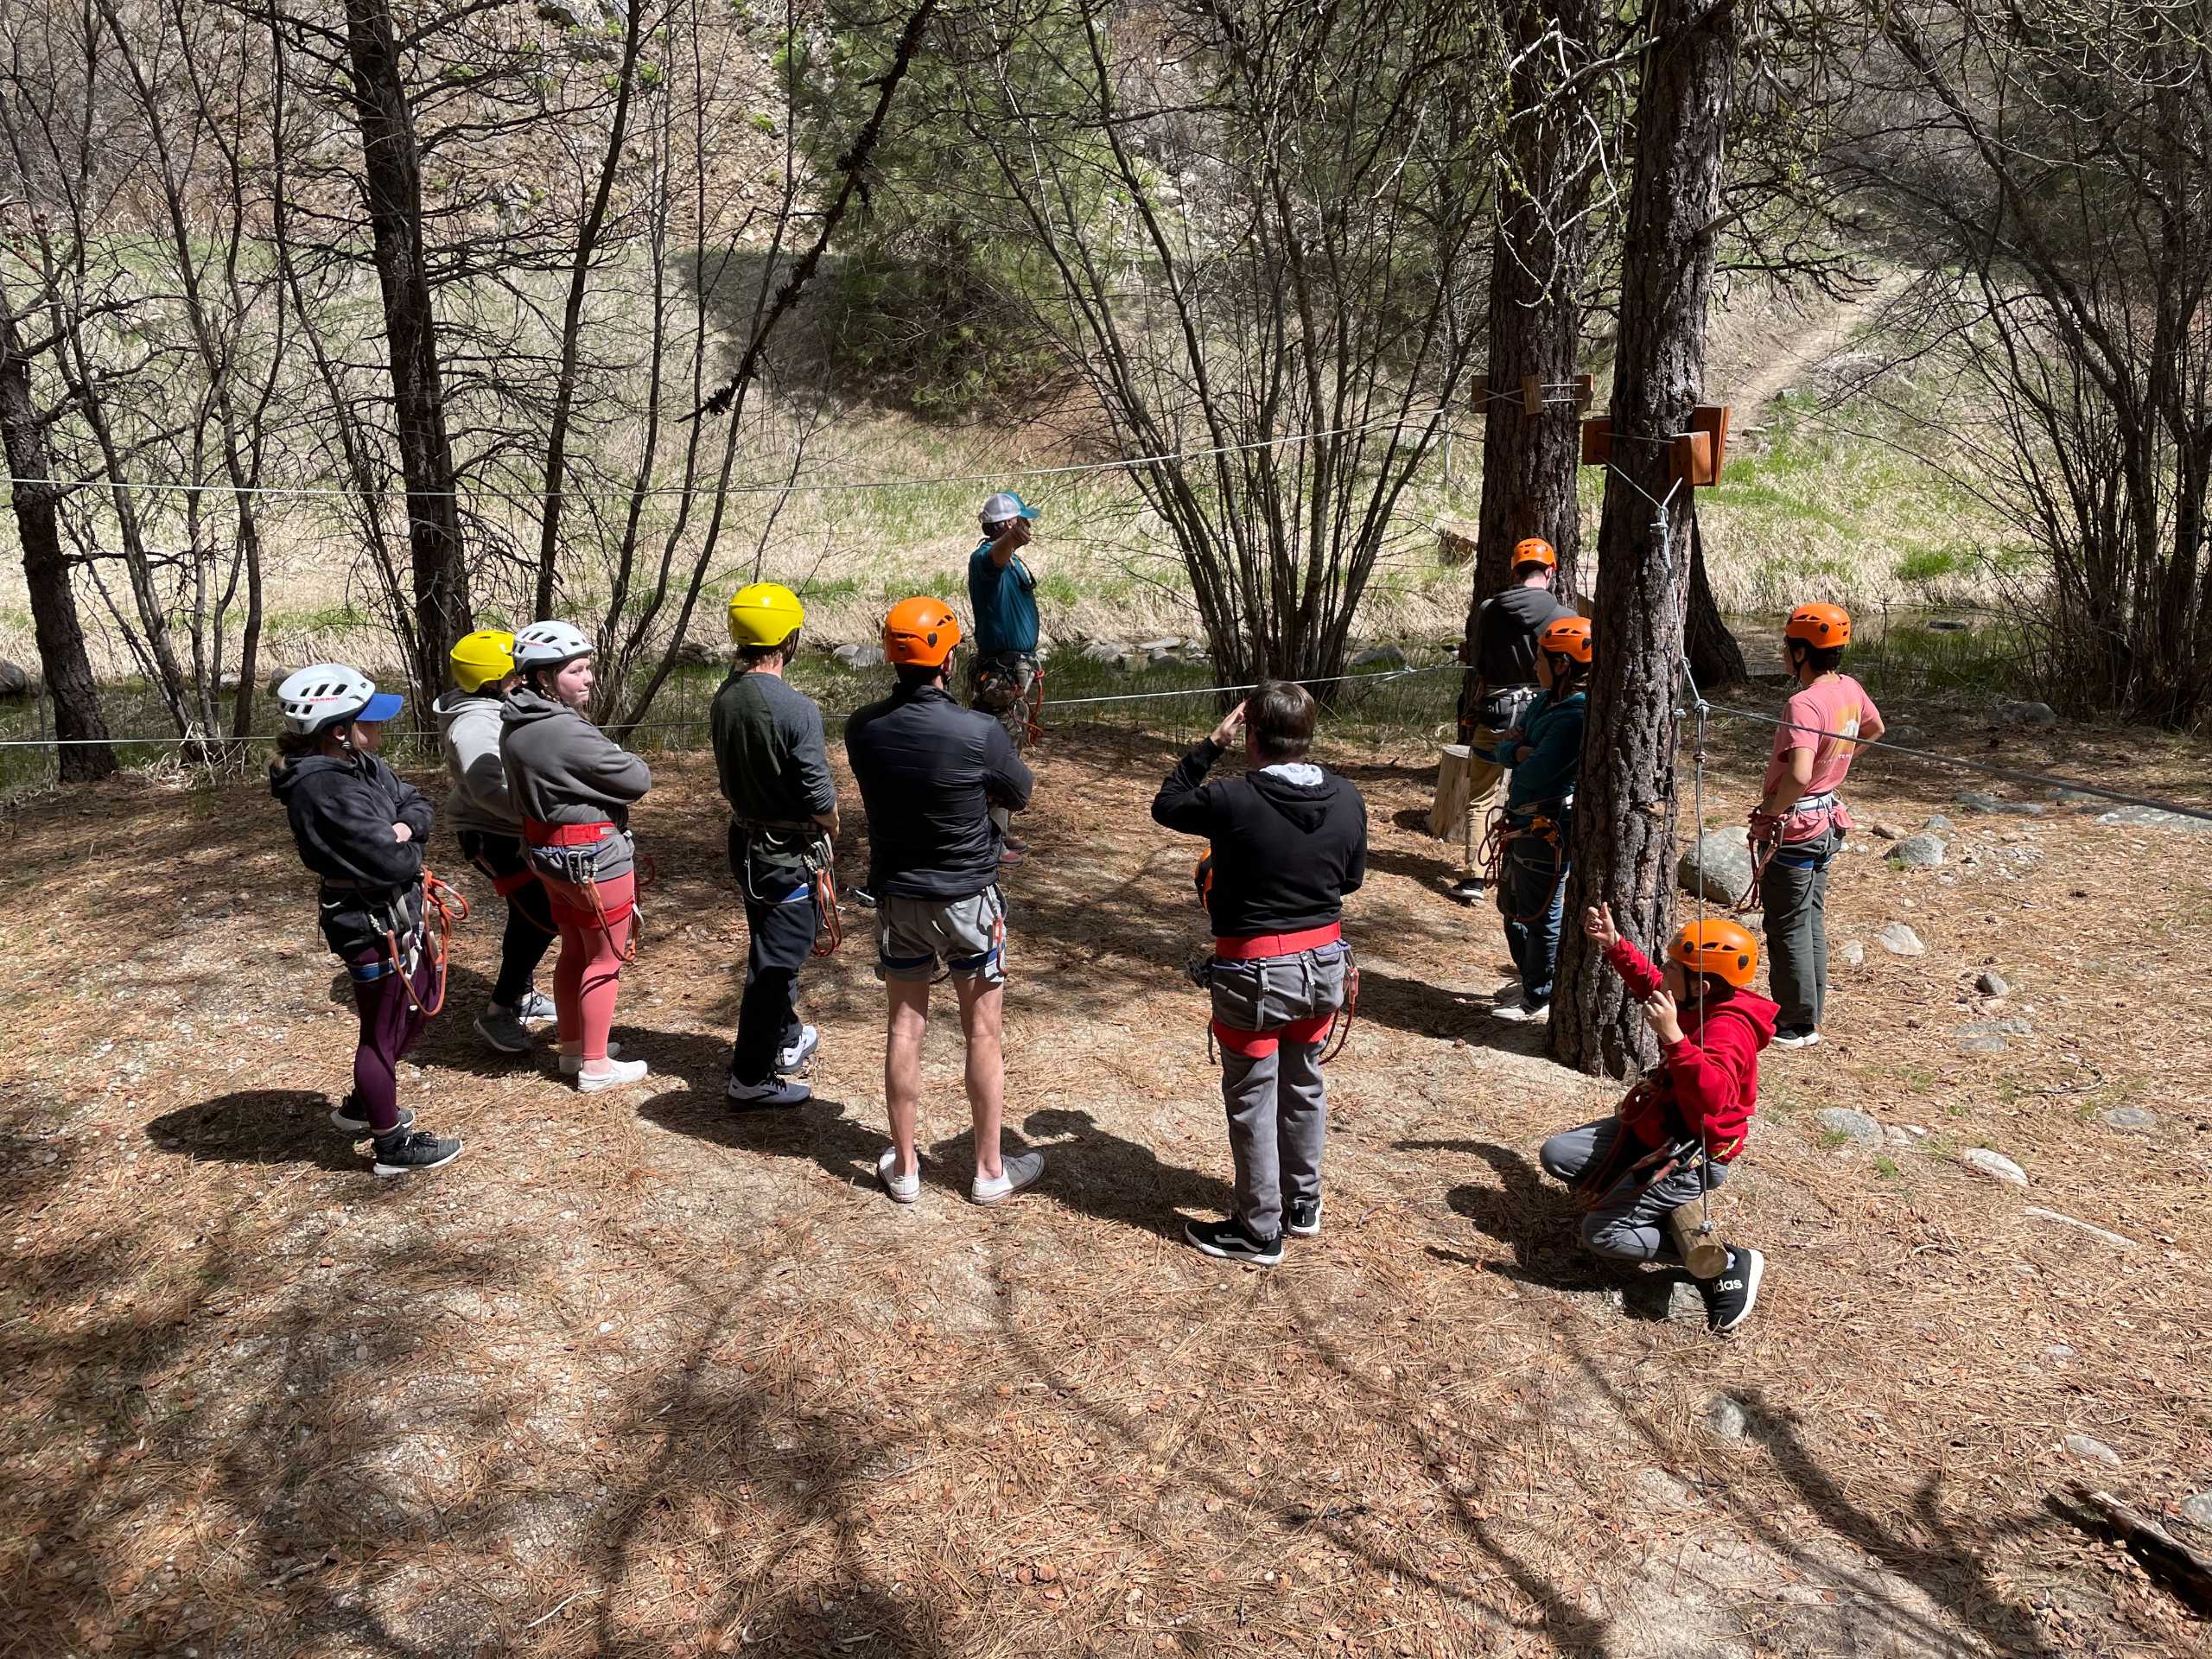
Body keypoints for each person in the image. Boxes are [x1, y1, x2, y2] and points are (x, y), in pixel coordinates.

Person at [1152, 681, 1368, 1266]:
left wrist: (1208, 746)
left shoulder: (1232, 799)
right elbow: (1349, 881)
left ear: (1249, 736)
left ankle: (1257, 1230)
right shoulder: (1348, 796)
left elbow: (1167, 803)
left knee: (1252, 1097)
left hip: (1254, 970)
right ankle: (1303, 1206)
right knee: (1304, 1084)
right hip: (1325, 965)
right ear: (1308, 737)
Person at [845, 596, 1041, 1205]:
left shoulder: (862, 727)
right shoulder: (977, 731)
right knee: (982, 1033)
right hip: (969, 898)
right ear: (950, 657)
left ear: (890, 655)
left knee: (905, 1028)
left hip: (900, 899)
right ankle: (987, 1171)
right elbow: (1021, 791)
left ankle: (904, 1168)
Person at [1541, 904, 1773, 1333]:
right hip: (1653, 1130)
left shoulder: (1729, 1029)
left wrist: (1675, 1040)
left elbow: (1714, 1099)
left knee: (1602, 1236)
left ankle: (1725, 1261)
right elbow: (1654, 986)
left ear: (1702, 986)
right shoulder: (1700, 997)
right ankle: (1640, 1202)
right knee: (1558, 1154)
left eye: (1674, 967)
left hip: (1689, 1154)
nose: (1664, 972)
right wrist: (1615, 945)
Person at [269, 663, 462, 1176]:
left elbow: (416, 802)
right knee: (382, 1029)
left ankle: (364, 1103)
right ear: (338, 730)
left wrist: (404, 827)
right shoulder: (323, 790)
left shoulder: (361, 765)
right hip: (367, 922)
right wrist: (403, 840)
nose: (380, 727)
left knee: (416, 1010)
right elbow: (393, 860)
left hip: (394, 911)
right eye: (369, 719)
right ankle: (391, 1143)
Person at [500, 620, 652, 1094]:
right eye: (578, 670)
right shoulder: (563, 729)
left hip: (550, 856)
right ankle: (596, 1065)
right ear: (544, 677)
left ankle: (573, 1048)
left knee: (572, 950)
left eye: (588, 669)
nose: (588, 679)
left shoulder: (516, 720)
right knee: (605, 960)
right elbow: (637, 778)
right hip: (593, 859)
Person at [712, 582, 839, 1109]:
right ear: (790, 637)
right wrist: (831, 825)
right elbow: (818, 794)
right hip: (786, 853)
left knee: (768, 940)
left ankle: (784, 1037)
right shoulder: (795, 708)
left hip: (747, 843)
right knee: (776, 963)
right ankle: (751, 1073)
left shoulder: (725, 695)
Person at [1753, 603, 1885, 1049]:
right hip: (1828, 820)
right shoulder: (1848, 688)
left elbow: (1799, 773)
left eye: (1787, 647)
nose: (1783, 654)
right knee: (1809, 919)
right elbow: (1873, 728)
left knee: (1787, 923)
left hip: (1797, 824)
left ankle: (1794, 1023)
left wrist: (1771, 813)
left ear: (1802, 651)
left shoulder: (1803, 703)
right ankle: (1808, 1014)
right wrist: (1839, 764)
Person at [433, 627, 559, 1054]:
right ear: (494, 680)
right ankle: (499, 1012)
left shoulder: (490, 709)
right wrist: (535, 815)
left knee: (529, 915)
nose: (523, 678)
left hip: (508, 832)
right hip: (496, 837)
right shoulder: (475, 723)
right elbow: (486, 787)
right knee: (540, 916)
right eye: (515, 673)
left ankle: (520, 992)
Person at [1478, 614, 1591, 1023]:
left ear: (1562, 664)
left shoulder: (1572, 716)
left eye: (1542, 658)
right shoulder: (1547, 702)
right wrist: (1518, 749)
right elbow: (1507, 747)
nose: (1534, 665)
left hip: (1544, 823)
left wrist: (1519, 751)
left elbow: (1533, 768)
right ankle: (1532, 981)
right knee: (1514, 904)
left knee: (1540, 911)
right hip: (1524, 819)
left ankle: (1539, 995)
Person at [1450, 537, 1573, 901]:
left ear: (1515, 571)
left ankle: (1474, 877)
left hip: (1496, 711)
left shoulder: (1489, 609)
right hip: (1541, 716)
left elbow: (1479, 660)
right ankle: (1525, 867)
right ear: (1550, 572)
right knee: (1537, 792)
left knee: (1482, 795)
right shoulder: (1565, 618)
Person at [965, 489, 1043, 860]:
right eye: (1020, 521)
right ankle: (988, 840)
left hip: (1013, 672)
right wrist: (1010, 540)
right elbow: (994, 556)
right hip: (1000, 674)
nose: (1027, 526)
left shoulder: (1010, 561)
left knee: (1008, 752)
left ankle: (998, 831)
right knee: (995, 755)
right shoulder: (985, 556)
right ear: (1007, 525)